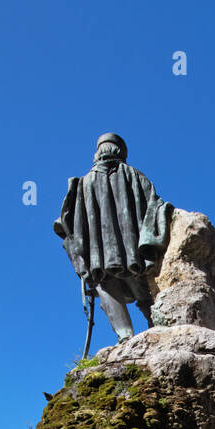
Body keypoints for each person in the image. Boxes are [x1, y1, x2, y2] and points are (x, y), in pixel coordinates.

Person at [53, 132, 172, 341]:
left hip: (98, 254)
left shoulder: (83, 183)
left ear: (97, 153)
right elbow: (155, 205)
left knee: (105, 284)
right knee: (142, 287)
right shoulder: (135, 175)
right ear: (121, 152)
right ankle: (156, 323)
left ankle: (125, 335)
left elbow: (66, 223)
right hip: (133, 251)